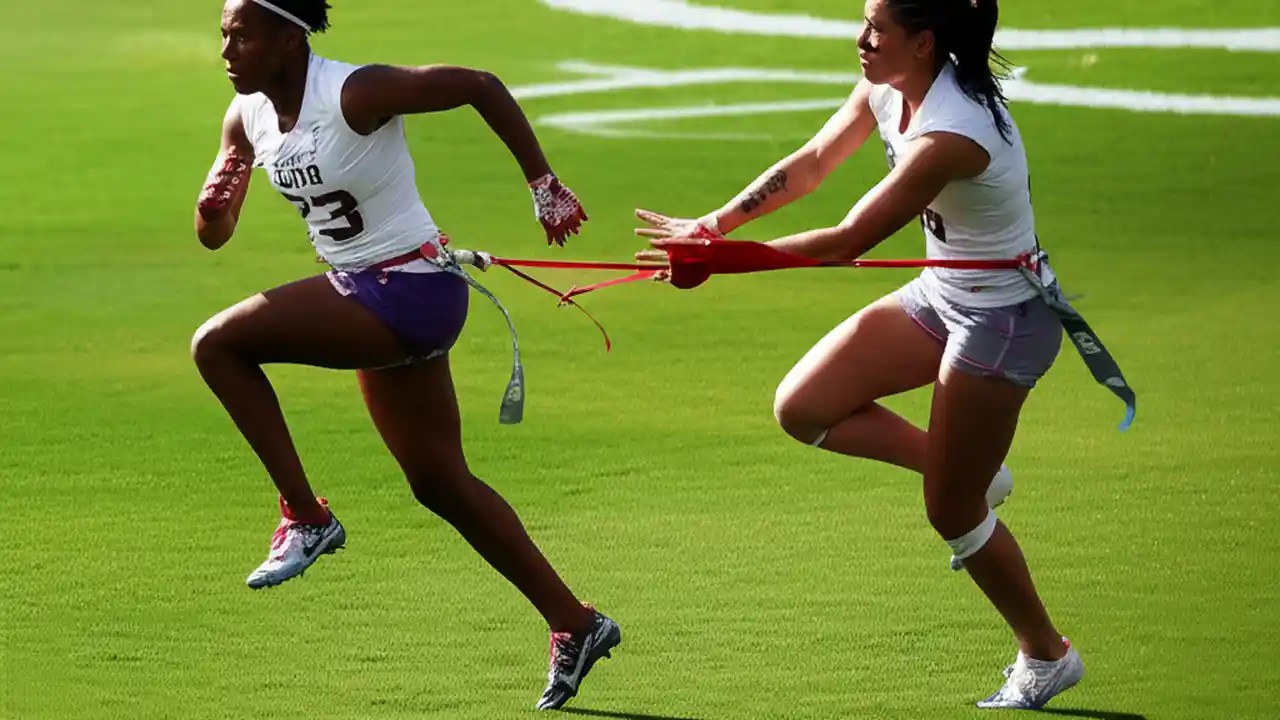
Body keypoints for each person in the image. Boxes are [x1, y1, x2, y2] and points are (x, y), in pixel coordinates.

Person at [636, 0, 1083, 710]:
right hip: (943, 294)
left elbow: (848, 241)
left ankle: (1046, 653)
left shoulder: (952, 134)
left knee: (951, 510)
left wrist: (719, 262)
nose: (861, 38)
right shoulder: (886, 87)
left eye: (877, 27)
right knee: (804, 406)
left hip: (1003, 320)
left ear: (924, 42)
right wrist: (713, 227)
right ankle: (971, 468)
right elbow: (812, 165)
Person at [193, 0, 617, 709]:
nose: (228, 51)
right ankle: (575, 623)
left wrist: (542, 183)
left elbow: (479, 84)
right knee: (440, 483)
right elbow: (216, 231)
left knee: (219, 345)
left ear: (289, 39)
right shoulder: (247, 117)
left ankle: (307, 518)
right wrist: (214, 207)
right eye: (224, 36)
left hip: (407, 290)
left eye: (244, 36)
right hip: (368, 295)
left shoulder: (353, 92)